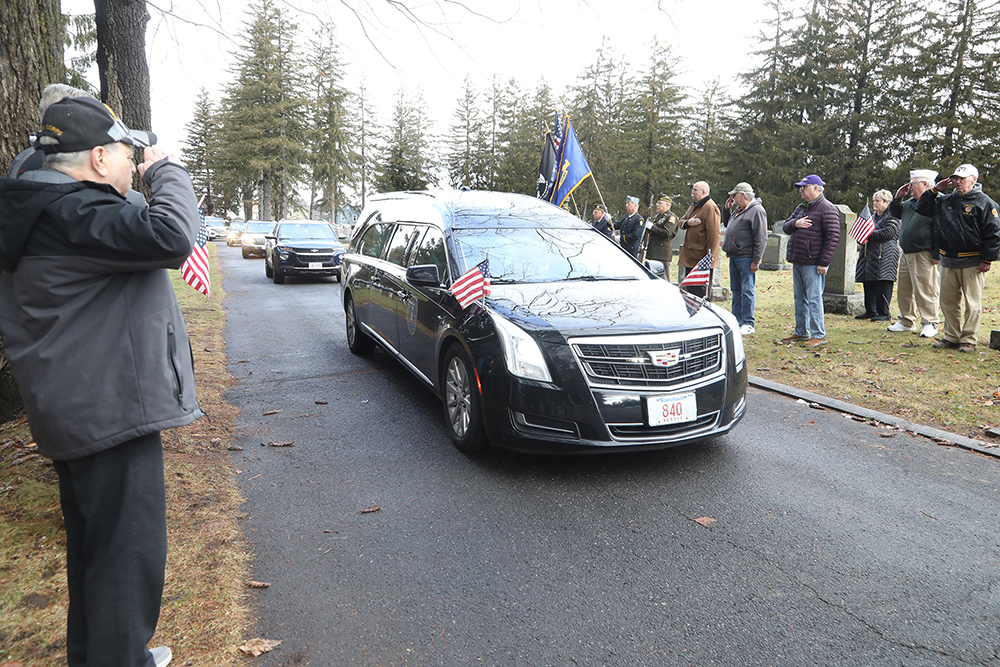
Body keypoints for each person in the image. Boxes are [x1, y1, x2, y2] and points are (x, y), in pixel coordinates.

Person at [0, 97, 203, 667]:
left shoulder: (38, 208)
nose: (129, 161)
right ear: (96, 158)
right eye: (122, 152)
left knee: (96, 552)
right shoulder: (78, 213)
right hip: (111, 411)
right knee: (126, 559)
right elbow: (171, 236)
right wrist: (167, 170)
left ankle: (104, 656)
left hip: (75, 406)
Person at [914, 164, 1000, 352]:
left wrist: (987, 259)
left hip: (972, 261)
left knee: (972, 303)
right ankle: (952, 336)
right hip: (948, 259)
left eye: (962, 178)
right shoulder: (944, 200)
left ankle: (969, 339)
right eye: (956, 178)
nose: (957, 181)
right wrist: (936, 190)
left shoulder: (984, 202)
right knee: (948, 301)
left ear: (974, 180)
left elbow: (994, 233)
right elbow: (920, 207)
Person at [780, 174, 841, 348]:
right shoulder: (802, 207)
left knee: (814, 298)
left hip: (814, 263)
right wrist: (795, 223)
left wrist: (824, 262)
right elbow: (786, 226)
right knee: (800, 297)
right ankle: (801, 331)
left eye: (804, 188)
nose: (801, 191)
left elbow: (834, 237)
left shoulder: (827, 208)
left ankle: (819, 334)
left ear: (815, 188)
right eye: (800, 188)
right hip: (798, 260)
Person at [888, 169, 941, 337]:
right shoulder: (910, 202)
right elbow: (895, 212)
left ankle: (930, 322)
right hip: (907, 253)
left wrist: (937, 254)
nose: (910, 187)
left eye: (913, 184)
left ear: (925, 184)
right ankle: (906, 320)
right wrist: (898, 197)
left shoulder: (936, 203)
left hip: (924, 253)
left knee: (926, 289)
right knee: (904, 289)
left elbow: (941, 229)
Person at [722, 182, 768, 335]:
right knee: (736, 290)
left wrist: (756, 260)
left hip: (746, 257)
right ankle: (737, 320)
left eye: (734, 195)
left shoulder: (756, 210)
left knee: (747, 290)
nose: (732, 198)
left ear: (743, 195)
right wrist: (727, 210)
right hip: (734, 256)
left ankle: (748, 322)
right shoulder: (738, 210)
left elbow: (761, 237)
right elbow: (727, 224)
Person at [854, 190, 901, 322]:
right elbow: (862, 232)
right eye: (874, 200)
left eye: (878, 201)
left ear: (887, 202)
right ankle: (870, 310)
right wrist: (861, 238)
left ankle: (883, 312)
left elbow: (888, 233)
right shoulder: (872, 217)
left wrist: (868, 234)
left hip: (885, 254)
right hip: (869, 254)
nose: (875, 203)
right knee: (869, 282)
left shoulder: (892, 216)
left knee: (882, 282)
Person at [678, 181, 721, 299]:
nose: (692, 192)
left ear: (704, 192)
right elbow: (681, 222)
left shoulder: (710, 207)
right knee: (690, 291)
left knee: (701, 292)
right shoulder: (694, 206)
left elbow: (714, 234)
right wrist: (688, 223)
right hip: (690, 256)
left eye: (695, 190)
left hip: (702, 258)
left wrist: (711, 254)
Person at [644, 194, 678, 279]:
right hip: (653, 252)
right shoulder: (658, 217)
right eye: (657, 203)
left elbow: (666, 233)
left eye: (660, 203)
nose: (657, 205)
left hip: (662, 253)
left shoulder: (671, 217)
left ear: (667, 205)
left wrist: (652, 227)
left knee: (663, 278)